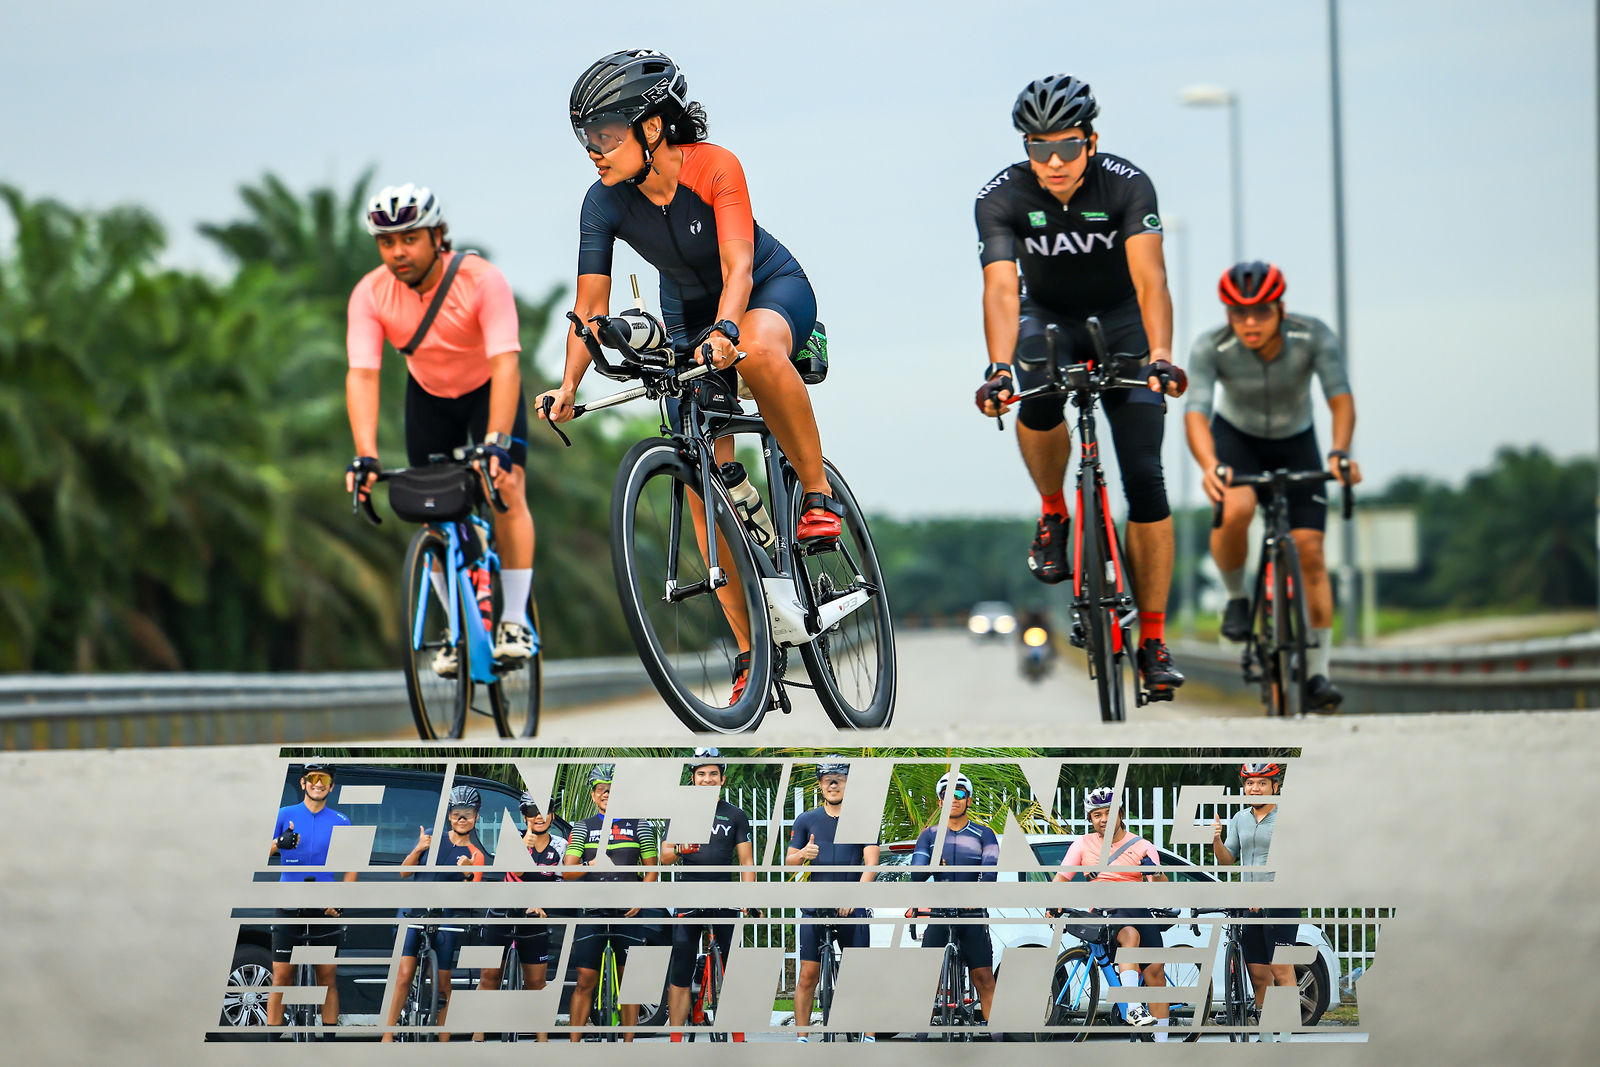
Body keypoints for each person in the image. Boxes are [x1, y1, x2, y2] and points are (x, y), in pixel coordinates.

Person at [541, 49, 837, 704]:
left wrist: (729, 332)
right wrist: (567, 387)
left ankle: (816, 495)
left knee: (758, 352)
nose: (593, 150)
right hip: (685, 313)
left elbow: (738, 267)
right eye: (585, 137)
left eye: (605, 133)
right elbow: (589, 307)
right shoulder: (603, 202)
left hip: (765, 289)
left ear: (653, 127)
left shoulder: (713, 165)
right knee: (702, 478)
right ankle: (750, 653)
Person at [973, 74, 1188, 699]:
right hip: (1048, 321)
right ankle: (1054, 513)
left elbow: (1152, 280)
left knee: (1144, 477)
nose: (1056, 161)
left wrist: (1163, 355)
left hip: (1124, 323)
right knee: (1035, 396)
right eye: (1039, 149)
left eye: (1067, 146)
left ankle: (1152, 640)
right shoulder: (1001, 195)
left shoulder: (1126, 183)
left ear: (1091, 141)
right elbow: (1001, 287)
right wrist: (997, 368)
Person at [344, 183, 537, 668]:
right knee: (431, 508)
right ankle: (458, 627)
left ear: (437, 236)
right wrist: (365, 455)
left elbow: (506, 365)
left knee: (506, 487)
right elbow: (363, 374)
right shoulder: (370, 294)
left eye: (409, 239)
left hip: (487, 390)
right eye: (386, 243)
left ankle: (515, 619)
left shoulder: (480, 280)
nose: (397, 252)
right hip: (428, 397)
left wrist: (495, 442)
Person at [1185, 262, 1360, 710]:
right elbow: (1197, 412)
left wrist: (1339, 452)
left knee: (1312, 552)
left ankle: (1319, 673)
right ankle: (1237, 598)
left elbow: (1339, 398)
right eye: (1238, 313)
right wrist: (1209, 465)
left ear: (1280, 308)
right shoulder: (1212, 346)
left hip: (1297, 441)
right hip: (1236, 440)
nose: (1249, 323)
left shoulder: (1312, 336)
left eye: (1261, 312)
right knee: (1237, 508)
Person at [1051, 787, 1172, 1038]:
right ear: (1090, 819)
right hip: (1106, 913)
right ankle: (1133, 1007)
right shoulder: (1082, 845)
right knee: (1128, 934)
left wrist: (1156, 872)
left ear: (1121, 814)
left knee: (1156, 976)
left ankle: (1161, 1047)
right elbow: (1062, 877)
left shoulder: (1142, 845)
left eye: (1109, 812)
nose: (1103, 819)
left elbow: (1163, 890)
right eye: (1097, 815)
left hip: (1138, 910)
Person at [661, 748, 757, 1042]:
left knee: (731, 968)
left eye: (713, 773)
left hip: (723, 897)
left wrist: (748, 898)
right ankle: (676, 1039)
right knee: (681, 968)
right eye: (701, 774)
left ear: (722, 779)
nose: (707, 779)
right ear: (693, 779)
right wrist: (679, 849)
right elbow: (665, 857)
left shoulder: (735, 815)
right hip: (689, 897)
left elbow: (746, 862)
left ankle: (738, 1038)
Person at [380, 785, 487, 1042]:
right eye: (456, 814)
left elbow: (474, 891)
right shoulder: (431, 836)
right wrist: (418, 849)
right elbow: (403, 873)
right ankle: (386, 1035)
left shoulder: (476, 854)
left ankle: (442, 1042)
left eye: (468, 814)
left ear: (476, 817)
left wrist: (470, 871)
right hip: (413, 911)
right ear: (449, 815)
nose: (461, 819)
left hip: (445, 916)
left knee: (444, 984)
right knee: (404, 975)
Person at [562, 764, 660, 1043]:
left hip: (627, 912)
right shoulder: (583, 827)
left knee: (629, 983)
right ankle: (573, 1045)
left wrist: (641, 896)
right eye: (602, 790)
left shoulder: (640, 825)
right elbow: (568, 872)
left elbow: (651, 869)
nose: (607, 794)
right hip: (593, 910)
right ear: (594, 795)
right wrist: (590, 863)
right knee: (584, 980)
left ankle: (627, 1046)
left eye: (613, 790)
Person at [785, 756, 879, 1043]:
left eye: (839, 779)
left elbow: (871, 864)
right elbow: (789, 862)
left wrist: (854, 895)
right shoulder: (806, 820)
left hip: (852, 907)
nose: (833, 784)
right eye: (828, 779)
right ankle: (802, 1038)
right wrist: (802, 855)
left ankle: (869, 1036)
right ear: (821, 784)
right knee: (807, 976)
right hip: (816, 907)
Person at [267, 762, 356, 1038]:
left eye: (324, 779)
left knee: (327, 977)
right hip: (289, 902)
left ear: (331, 786)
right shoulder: (285, 814)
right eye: (313, 778)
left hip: (324, 906)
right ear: (304, 783)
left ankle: (327, 1045)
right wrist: (279, 843)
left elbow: (351, 866)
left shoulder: (341, 821)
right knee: (281, 977)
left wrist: (341, 899)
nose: (318, 783)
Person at [907, 772, 999, 1036]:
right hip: (940, 913)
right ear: (939, 803)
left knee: (984, 979)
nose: (953, 800)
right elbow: (917, 874)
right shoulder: (929, 836)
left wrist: (976, 898)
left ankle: (1000, 1040)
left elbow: (989, 873)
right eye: (946, 795)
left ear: (968, 800)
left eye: (959, 794)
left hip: (973, 915)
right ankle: (920, 1035)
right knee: (928, 978)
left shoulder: (984, 834)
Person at [1212, 761, 1300, 1037]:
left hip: (1281, 903)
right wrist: (1216, 840)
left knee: (1281, 969)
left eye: (1262, 783)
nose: (1255, 788)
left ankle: (1284, 1040)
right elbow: (1227, 861)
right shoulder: (1240, 819)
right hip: (1251, 905)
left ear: (1275, 787)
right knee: (1259, 974)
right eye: (1250, 783)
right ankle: (1265, 1037)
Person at [473, 791, 566, 1042]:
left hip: (535, 919)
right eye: (532, 812)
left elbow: (560, 882)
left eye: (544, 811)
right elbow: (514, 872)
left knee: (536, 983)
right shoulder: (511, 839)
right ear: (524, 817)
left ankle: (542, 1040)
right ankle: (477, 1038)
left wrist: (543, 904)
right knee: (489, 977)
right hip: (502, 914)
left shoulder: (560, 845)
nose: (539, 817)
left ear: (552, 815)